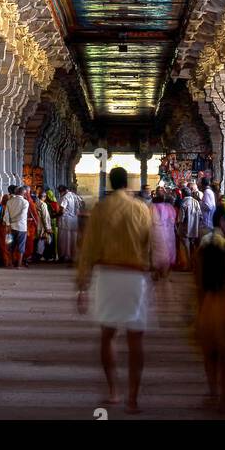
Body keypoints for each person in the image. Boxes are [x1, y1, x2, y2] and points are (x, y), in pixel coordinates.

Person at [76, 165, 152, 413]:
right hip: (135, 276)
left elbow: (88, 248)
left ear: (110, 183)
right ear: (127, 183)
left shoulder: (101, 209)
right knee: (135, 338)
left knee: (108, 335)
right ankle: (133, 398)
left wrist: (82, 285)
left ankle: (113, 392)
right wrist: (156, 274)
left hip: (107, 275)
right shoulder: (141, 208)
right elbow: (149, 244)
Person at [194, 209, 225, 411]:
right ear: (223, 221)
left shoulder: (203, 245)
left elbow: (198, 279)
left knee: (210, 353)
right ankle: (224, 398)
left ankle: (213, 390)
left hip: (207, 304)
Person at [150, 190, 177, 280]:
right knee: (168, 251)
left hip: (155, 232)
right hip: (169, 233)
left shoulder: (152, 207)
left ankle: (156, 272)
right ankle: (164, 273)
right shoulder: (169, 207)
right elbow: (173, 219)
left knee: (156, 251)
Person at [2, 184, 29, 267]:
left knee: (10, 245)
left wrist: (9, 224)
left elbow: (6, 215)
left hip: (10, 228)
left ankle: (11, 263)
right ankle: (19, 265)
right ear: (23, 193)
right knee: (21, 245)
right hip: (22, 227)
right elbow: (22, 215)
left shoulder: (9, 202)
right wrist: (14, 221)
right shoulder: (25, 202)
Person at [178, 186, 203, 269]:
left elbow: (181, 219)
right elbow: (200, 216)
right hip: (195, 229)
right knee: (193, 247)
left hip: (185, 229)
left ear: (183, 194)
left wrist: (178, 227)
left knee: (186, 247)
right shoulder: (196, 202)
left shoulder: (183, 203)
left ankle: (188, 265)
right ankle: (194, 265)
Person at [58, 186, 83, 261]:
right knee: (73, 238)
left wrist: (56, 215)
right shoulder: (76, 196)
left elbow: (62, 210)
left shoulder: (65, 197)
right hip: (74, 220)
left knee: (65, 239)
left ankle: (65, 255)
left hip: (66, 220)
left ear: (62, 191)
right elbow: (82, 205)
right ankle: (73, 256)